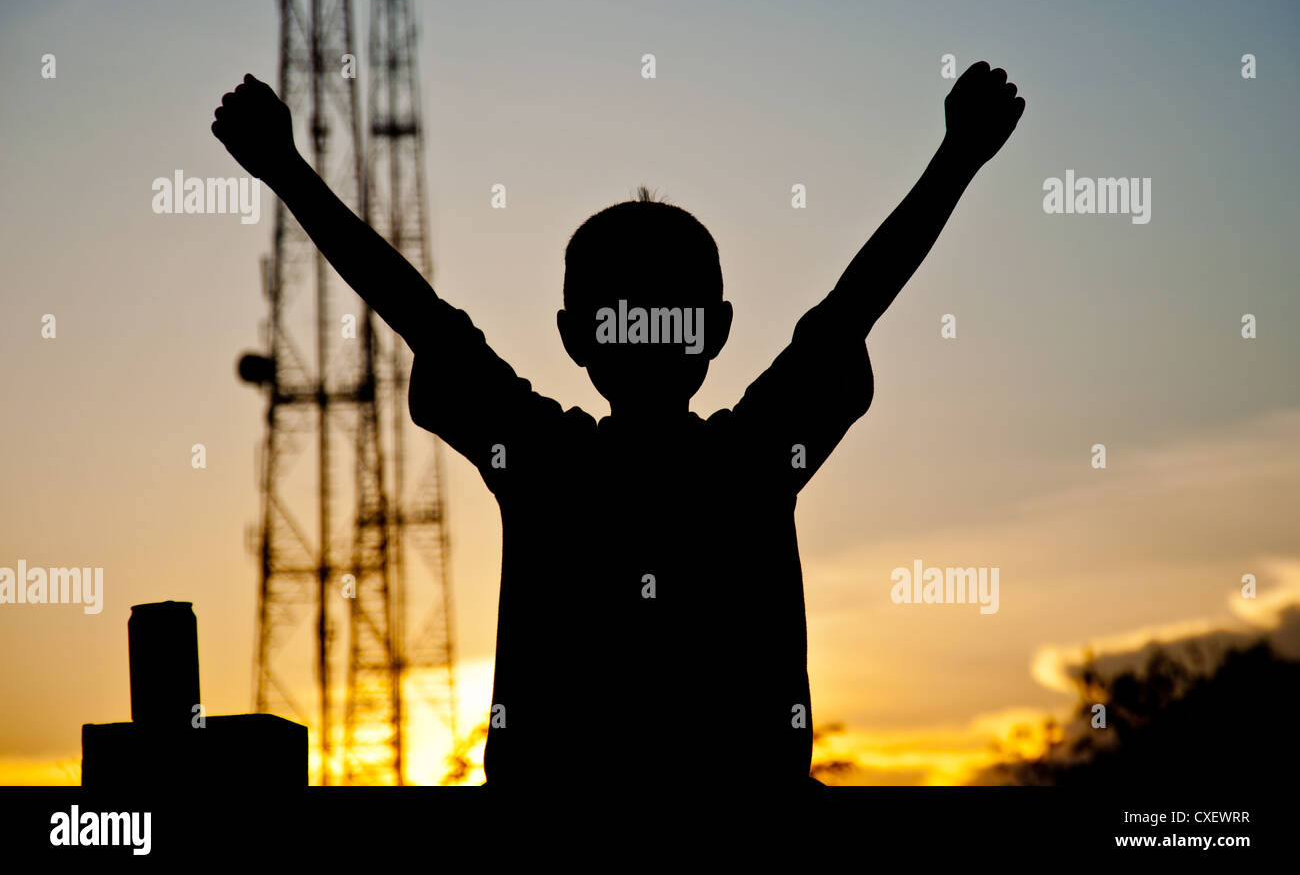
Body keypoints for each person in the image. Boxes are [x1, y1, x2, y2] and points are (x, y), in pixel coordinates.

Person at [212, 61, 1025, 789]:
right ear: (717, 331)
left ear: (574, 338)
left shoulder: (543, 461)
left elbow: (420, 316)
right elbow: (850, 312)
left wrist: (287, 170)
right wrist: (957, 158)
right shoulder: (752, 458)